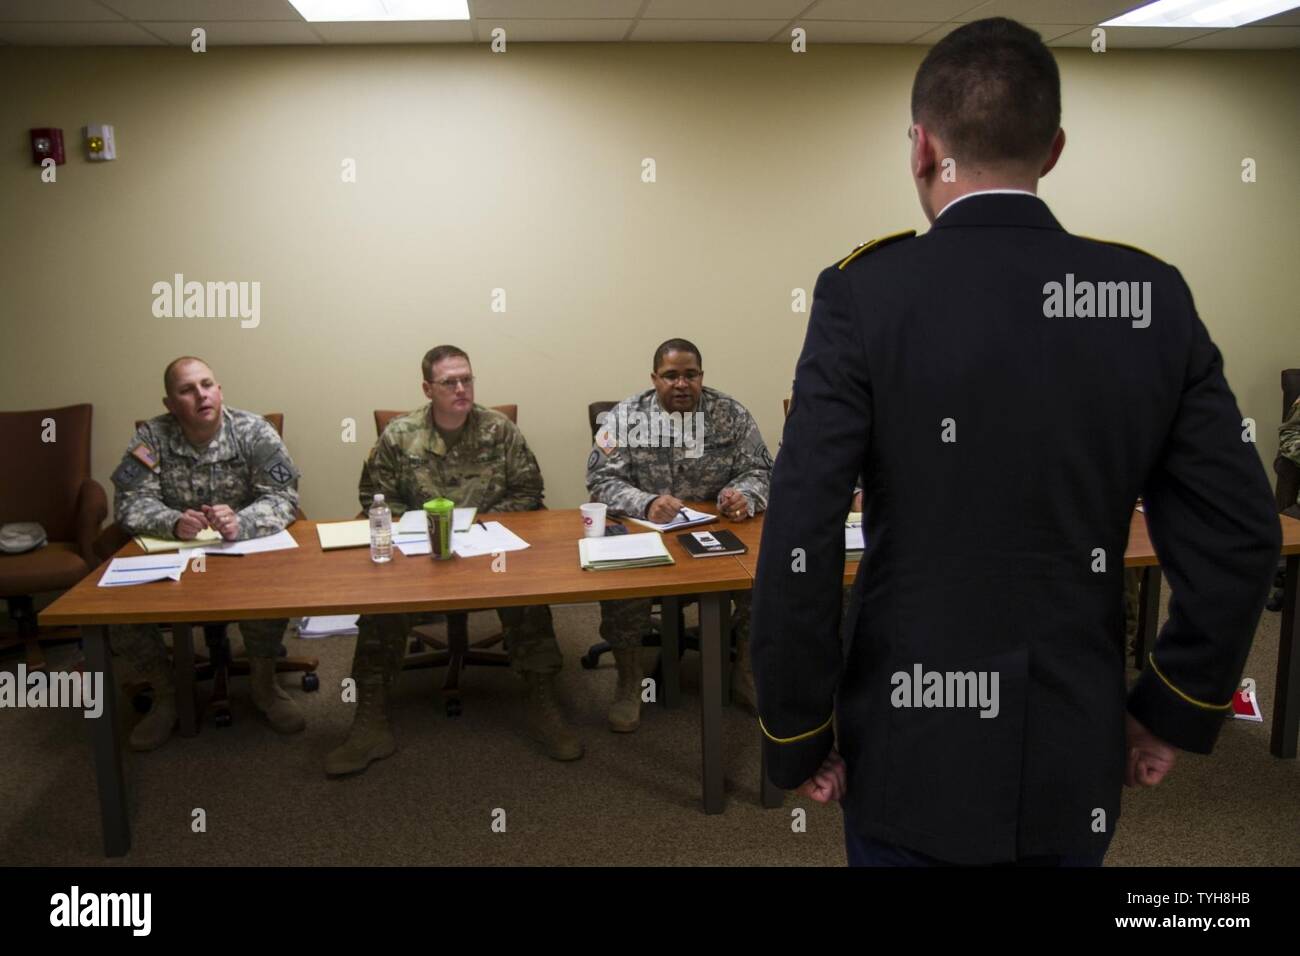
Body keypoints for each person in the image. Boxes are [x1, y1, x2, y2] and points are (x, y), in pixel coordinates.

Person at [750, 18, 1282, 866]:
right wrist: (1171, 705)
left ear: (922, 148)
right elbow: (1245, 536)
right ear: (1055, 148)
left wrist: (799, 729)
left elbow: (801, 537)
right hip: (1073, 738)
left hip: (907, 739)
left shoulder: (866, 294)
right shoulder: (1149, 296)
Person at [326, 345, 581, 775]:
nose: (461, 389)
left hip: (489, 548)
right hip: (419, 554)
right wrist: (421, 535)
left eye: (467, 379)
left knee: (528, 598)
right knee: (379, 607)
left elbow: (529, 493)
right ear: (428, 388)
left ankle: (542, 702)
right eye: (449, 382)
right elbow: (375, 499)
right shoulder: (399, 435)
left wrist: (479, 527)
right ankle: (369, 721)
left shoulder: (499, 430)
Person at [110, 356, 304, 751]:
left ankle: (265, 687)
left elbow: (284, 497)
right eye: (187, 389)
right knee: (118, 609)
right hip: (176, 555)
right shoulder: (151, 438)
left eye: (207, 384)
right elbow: (128, 503)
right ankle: (166, 696)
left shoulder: (254, 431)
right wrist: (171, 521)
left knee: (273, 588)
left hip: (243, 550)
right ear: (170, 403)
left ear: (219, 391)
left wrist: (242, 523)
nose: (201, 395)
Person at [586, 338, 772, 728]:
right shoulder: (624, 417)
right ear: (655, 378)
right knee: (621, 583)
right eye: (671, 376)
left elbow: (761, 470)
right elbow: (600, 480)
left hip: (717, 530)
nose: (682, 384)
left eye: (691, 375)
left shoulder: (731, 414)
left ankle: (747, 671)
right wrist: (646, 502)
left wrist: (745, 495)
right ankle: (630, 679)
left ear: (702, 377)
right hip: (646, 531)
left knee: (765, 578)